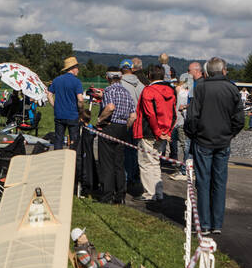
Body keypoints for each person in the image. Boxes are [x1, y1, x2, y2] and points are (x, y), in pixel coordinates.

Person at [183, 57, 243, 235]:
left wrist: (193, 134)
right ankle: (217, 223)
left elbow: (192, 117)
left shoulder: (201, 87)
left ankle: (204, 223)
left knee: (203, 182)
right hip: (223, 141)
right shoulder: (232, 88)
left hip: (204, 140)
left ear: (208, 71)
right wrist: (230, 134)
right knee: (219, 182)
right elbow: (239, 119)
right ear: (224, 70)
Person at [134, 65, 176, 202]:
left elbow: (150, 114)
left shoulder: (148, 90)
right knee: (155, 162)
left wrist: (158, 132)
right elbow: (174, 113)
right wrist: (167, 131)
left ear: (149, 76)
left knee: (146, 163)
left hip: (149, 132)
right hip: (164, 131)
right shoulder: (171, 90)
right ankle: (158, 192)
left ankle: (149, 193)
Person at [94, 71, 135, 204]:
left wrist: (100, 119)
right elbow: (133, 116)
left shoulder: (109, 91)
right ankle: (120, 194)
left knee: (106, 163)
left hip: (110, 126)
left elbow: (110, 107)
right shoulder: (127, 93)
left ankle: (107, 195)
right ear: (121, 78)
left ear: (107, 78)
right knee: (119, 163)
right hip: (123, 128)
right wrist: (126, 127)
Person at [48, 57, 86, 150]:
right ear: (73, 68)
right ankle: (72, 161)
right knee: (74, 141)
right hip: (73, 115)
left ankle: (57, 160)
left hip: (59, 115)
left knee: (58, 139)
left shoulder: (56, 80)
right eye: (77, 67)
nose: (78, 70)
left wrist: (54, 106)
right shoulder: (77, 81)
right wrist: (81, 111)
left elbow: (49, 95)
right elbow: (80, 100)